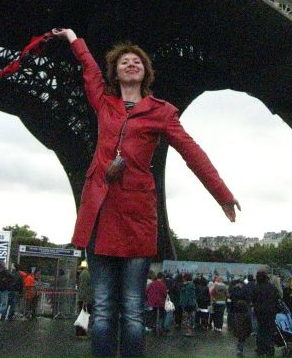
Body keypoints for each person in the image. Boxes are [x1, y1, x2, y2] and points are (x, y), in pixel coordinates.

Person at [52, 27, 240, 358]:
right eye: (124, 61)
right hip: (100, 214)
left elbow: (192, 152)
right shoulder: (104, 103)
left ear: (145, 72)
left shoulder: (161, 112)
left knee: (132, 309)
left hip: (136, 218)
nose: (131, 63)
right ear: (115, 72)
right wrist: (73, 37)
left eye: (137, 61)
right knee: (103, 308)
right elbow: (90, 71)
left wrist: (222, 193)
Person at [252, 270, 280, 358]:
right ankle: (269, 348)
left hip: (260, 312)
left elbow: (253, 299)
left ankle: (261, 349)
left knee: (260, 329)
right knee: (269, 330)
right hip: (271, 312)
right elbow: (277, 297)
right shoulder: (272, 287)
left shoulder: (256, 288)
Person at [230, 279, 251, 357]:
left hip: (236, 309)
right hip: (243, 309)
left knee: (237, 323)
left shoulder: (233, 290)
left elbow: (231, 298)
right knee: (242, 337)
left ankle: (239, 349)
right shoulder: (244, 290)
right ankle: (240, 349)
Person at [76, 261, 93, 337]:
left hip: (86, 299)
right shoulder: (86, 274)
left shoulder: (85, 273)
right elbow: (84, 287)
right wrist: (84, 299)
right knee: (83, 316)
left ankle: (82, 333)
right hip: (86, 299)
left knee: (84, 316)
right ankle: (81, 333)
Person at [179, 272, 197, 337]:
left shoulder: (187, 285)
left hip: (187, 304)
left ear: (185, 278)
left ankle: (189, 332)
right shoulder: (192, 285)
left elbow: (186, 295)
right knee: (191, 317)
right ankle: (190, 331)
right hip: (192, 303)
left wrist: (183, 303)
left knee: (187, 318)